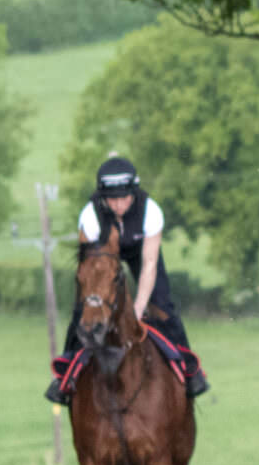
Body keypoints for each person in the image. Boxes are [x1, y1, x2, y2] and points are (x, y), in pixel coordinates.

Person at [47, 156, 210, 401]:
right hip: (102, 256)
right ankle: (66, 373)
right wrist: (94, 300)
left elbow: (150, 264)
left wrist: (139, 306)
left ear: (134, 193)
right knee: (83, 309)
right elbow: (89, 267)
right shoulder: (90, 217)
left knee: (163, 306)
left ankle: (189, 369)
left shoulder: (151, 212)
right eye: (112, 199)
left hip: (140, 254)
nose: (118, 205)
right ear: (103, 197)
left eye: (124, 198)